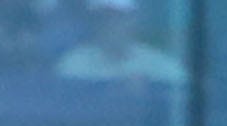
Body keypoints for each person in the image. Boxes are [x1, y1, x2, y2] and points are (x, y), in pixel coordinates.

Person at [55, 0, 186, 80]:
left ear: (134, 20)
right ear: (93, 23)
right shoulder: (72, 66)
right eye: (104, 18)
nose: (111, 24)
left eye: (119, 17)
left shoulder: (161, 67)